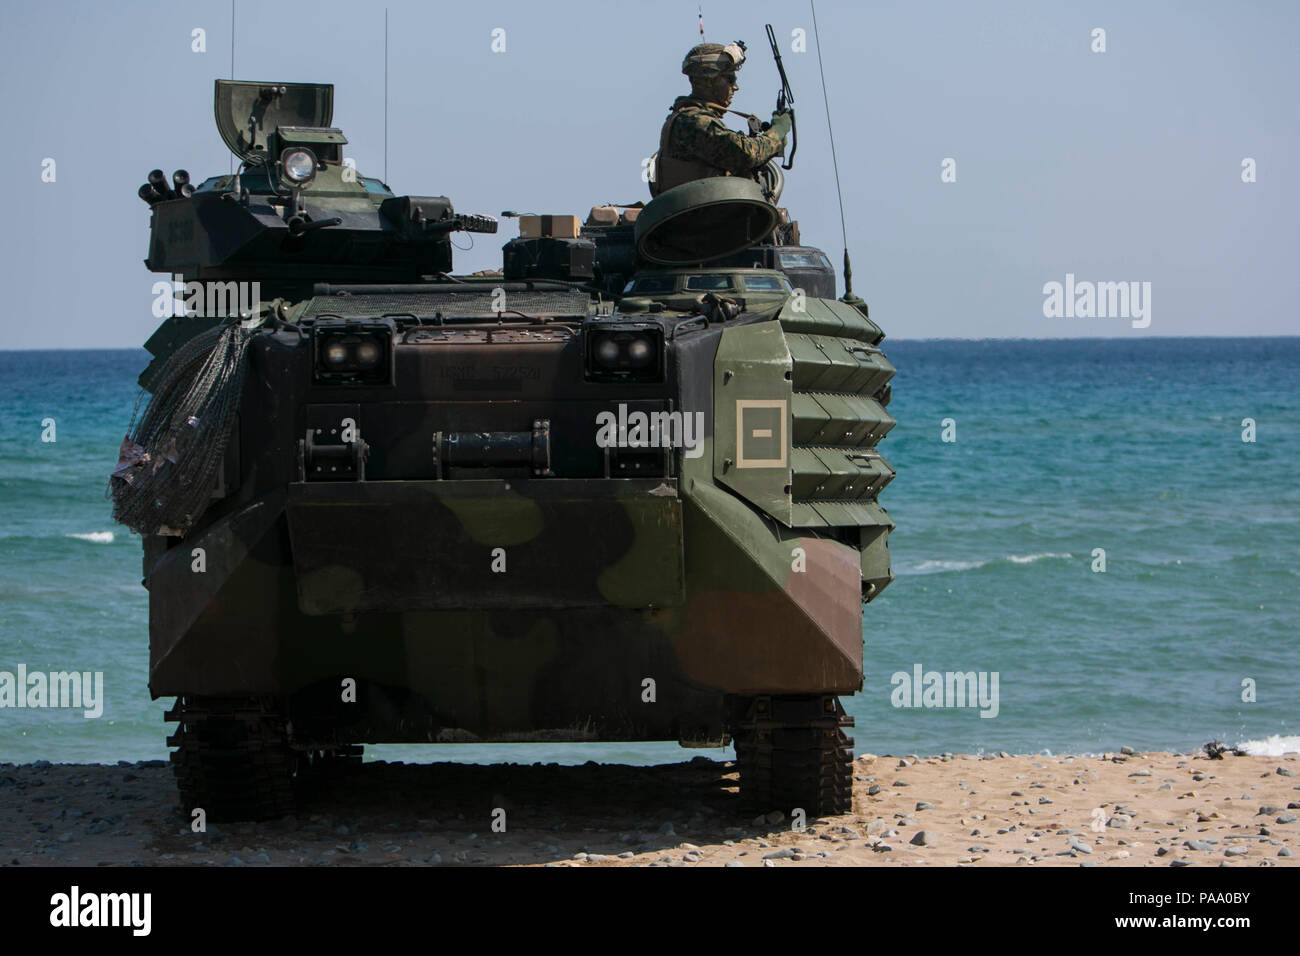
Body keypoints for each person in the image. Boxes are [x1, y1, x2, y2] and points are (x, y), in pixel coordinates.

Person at [652, 41, 792, 196]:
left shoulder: (687, 118)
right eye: (729, 79)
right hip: (704, 215)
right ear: (708, 81)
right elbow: (746, 155)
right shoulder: (693, 122)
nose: (735, 87)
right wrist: (777, 133)